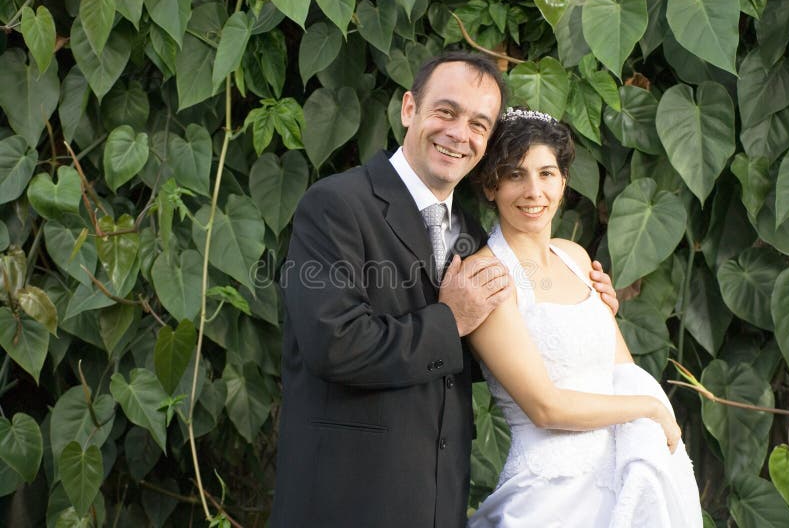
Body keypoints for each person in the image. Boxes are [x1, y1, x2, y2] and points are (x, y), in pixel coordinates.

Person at [270, 52, 618, 528]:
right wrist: (449, 319)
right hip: (347, 498)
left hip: (437, 500)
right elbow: (335, 344)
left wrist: (583, 313)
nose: (460, 134)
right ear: (409, 109)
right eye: (446, 112)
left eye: (479, 123)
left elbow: (486, 354)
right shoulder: (336, 205)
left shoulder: (472, 236)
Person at [466, 107, 702, 527]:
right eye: (515, 175)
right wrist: (650, 409)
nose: (533, 191)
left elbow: (621, 370)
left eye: (546, 173)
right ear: (490, 186)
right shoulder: (488, 277)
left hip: (622, 469)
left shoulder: (574, 257)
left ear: (564, 181)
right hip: (552, 492)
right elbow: (546, 408)